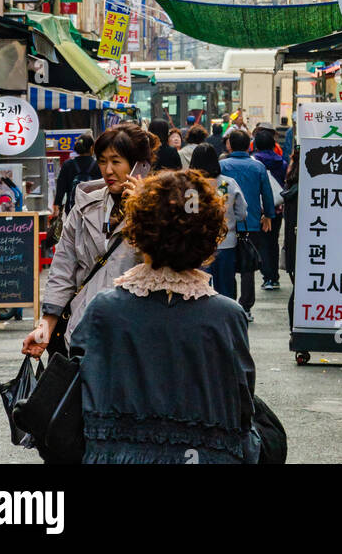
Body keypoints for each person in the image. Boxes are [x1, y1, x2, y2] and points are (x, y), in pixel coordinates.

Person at [71, 169, 258, 464]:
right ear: (209, 240)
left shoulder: (103, 310)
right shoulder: (227, 316)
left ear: (138, 234)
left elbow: (77, 391)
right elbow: (242, 407)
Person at [21, 124, 153, 356]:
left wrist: (146, 210)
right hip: (84, 334)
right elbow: (63, 268)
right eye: (102, 161)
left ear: (139, 165)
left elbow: (170, 263)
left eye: (116, 161)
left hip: (139, 338)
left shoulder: (161, 208)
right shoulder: (85, 206)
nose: (108, 170)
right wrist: (44, 328)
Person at [218, 127, 274, 320]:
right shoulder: (257, 167)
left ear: (230, 145)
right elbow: (266, 193)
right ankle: (246, 306)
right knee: (248, 265)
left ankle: (229, 302)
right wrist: (268, 215)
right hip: (251, 223)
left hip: (227, 224)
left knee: (229, 264)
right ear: (249, 145)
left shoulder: (222, 165)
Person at [190, 142, 247, 299]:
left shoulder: (190, 185)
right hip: (226, 243)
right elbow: (242, 213)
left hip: (198, 245)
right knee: (225, 290)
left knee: (199, 291)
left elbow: (189, 216)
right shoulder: (227, 183)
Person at [252, 126, 285, 291]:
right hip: (277, 207)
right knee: (273, 241)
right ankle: (275, 276)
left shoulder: (253, 162)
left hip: (258, 208)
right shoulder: (282, 162)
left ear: (255, 145)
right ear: (273, 145)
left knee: (262, 243)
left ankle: (268, 277)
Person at [52, 134, 101, 218]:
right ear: (91, 148)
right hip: (93, 209)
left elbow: (61, 187)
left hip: (72, 210)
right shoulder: (98, 165)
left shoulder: (67, 165)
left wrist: (57, 205)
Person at [282, 146, 299, 330]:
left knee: (297, 290)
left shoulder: (290, 188)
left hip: (292, 245)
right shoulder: (309, 190)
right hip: (311, 248)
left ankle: (295, 328)